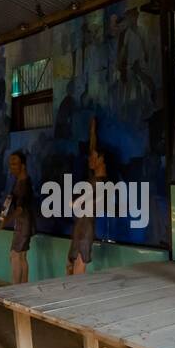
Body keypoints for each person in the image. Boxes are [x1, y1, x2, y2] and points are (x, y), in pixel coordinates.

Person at [67, 118, 105, 276]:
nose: (90, 159)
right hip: (79, 227)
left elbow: (96, 204)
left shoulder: (103, 183)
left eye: (93, 158)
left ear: (101, 161)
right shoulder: (93, 175)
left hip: (85, 229)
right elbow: (92, 149)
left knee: (78, 268)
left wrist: (77, 202)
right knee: (69, 265)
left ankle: (76, 299)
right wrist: (92, 132)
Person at [0, 151, 34, 285]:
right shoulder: (18, 181)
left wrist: (6, 220)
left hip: (24, 224)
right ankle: (22, 289)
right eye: (10, 164)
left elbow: (20, 209)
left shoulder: (24, 184)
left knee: (15, 255)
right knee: (21, 256)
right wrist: (3, 216)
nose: (11, 167)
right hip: (22, 223)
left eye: (15, 164)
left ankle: (16, 290)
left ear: (23, 166)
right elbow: (10, 200)